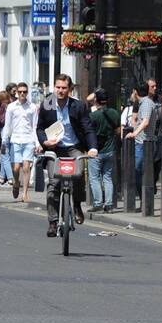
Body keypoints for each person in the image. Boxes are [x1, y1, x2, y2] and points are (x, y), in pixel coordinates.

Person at [36, 74, 98, 237]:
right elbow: (40, 129)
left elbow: (88, 129)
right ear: (54, 87)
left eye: (64, 88)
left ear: (70, 89)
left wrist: (92, 148)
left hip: (73, 147)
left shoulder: (79, 106)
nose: (61, 91)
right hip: (54, 149)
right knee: (53, 185)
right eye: (58, 87)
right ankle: (53, 221)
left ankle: (76, 204)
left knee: (77, 176)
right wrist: (45, 142)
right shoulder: (46, 105)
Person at [2, 82, 40, 202]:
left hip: (28, 139)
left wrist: (37, 143)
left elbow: (35, 126)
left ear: (27, 93)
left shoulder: (32, 107)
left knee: (26, 167)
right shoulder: (12, 107)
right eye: (20, 92)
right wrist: (4, 141)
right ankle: (16, 182)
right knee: (16, 168)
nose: (22, 94)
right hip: (15, 139)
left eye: (24, 92)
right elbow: (7, 125)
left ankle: (25, 193)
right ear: (17, 93)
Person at [87, 89, 120, 213]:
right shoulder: (115, 113)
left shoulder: (93, 116)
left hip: (96, 151)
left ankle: (98, 203)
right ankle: (109, 205)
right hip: (110, 150)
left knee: (94, 178)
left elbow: (89, 133)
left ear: (96, 100)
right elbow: (117, 131)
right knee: (107, 177)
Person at [124, 83, 155, 199]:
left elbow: (146, 121)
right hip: (141, 142)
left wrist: (134, 133)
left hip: (143, 142)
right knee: (138, 170)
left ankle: (145, 198)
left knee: (138, 169)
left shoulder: (146, 103)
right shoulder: (143, 103)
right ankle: (144, 198)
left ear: (135, 92)